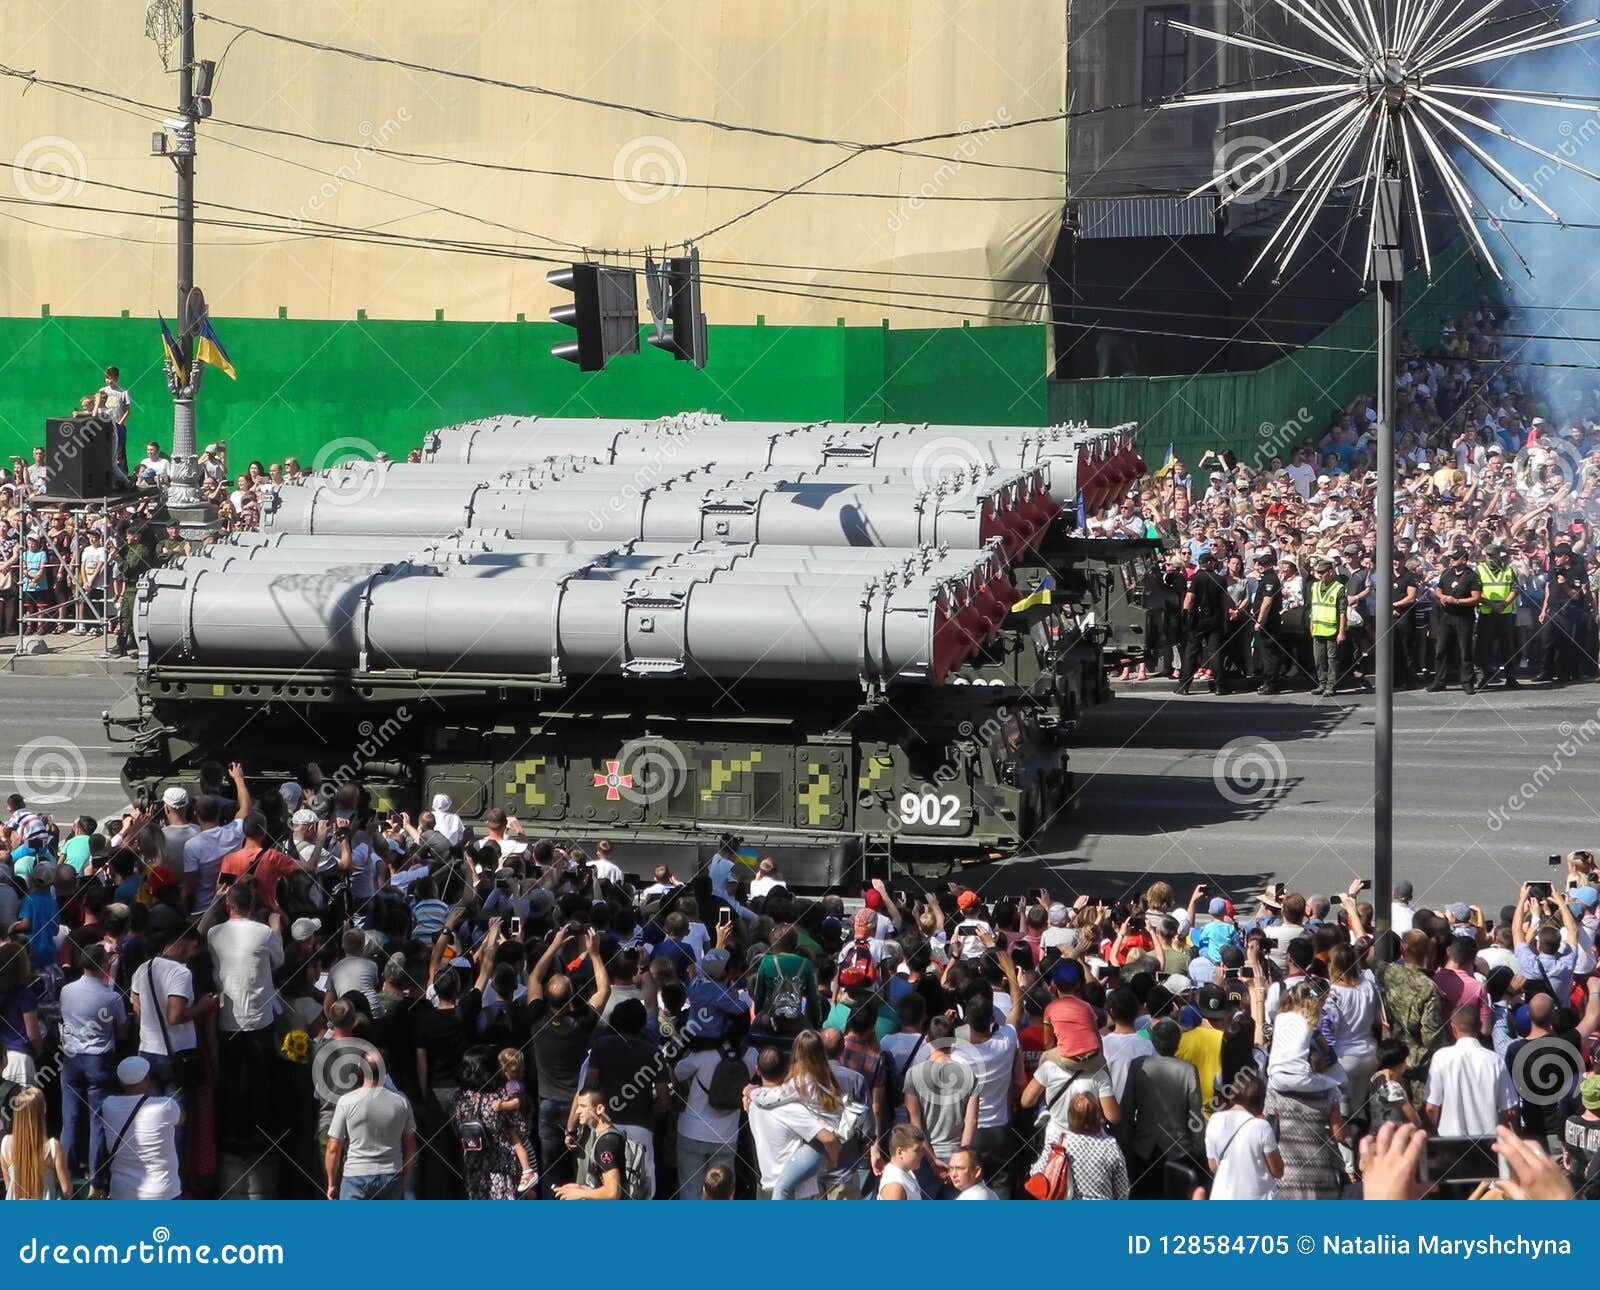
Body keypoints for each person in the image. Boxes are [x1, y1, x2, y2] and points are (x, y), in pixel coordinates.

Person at [58, 943, 127, 1184]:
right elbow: (121, 1030)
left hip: (71, 1059)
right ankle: (97, 1178)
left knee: (71, 1117)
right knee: (98, 1119)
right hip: (99, 1060)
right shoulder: (111, 997)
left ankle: (66, 1174)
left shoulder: (66, 990)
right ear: (104, 964)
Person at [325, 1049, 418, 1200]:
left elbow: (333, 1149)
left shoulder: (346, 1101)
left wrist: (331, 1183)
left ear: (360, 1069)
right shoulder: (401, 1101)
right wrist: (405, 1178)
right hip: (391, 1176)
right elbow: (411, 1147)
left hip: (355, 1178)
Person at [1424, 1006, 1518, 1136]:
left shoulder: (1440, 1057)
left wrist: (1433, 1133)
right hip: (1488, 1142)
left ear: (1453, 1029)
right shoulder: (1495, 1060)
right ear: (1480, 1027)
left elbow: (1431, 1108)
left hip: (1449, 1142)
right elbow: (1509, 1110)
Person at [99, 1056, 182, 1200]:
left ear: (120, 1081)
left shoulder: (108, 1105)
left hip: (121, 1193)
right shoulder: (165, 1105)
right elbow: (181, 1119)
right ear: (147, 1079)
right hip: (163, 1193)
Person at [1205, 1068, 1283, 1200]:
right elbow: (1278, 1172)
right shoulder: (1262, 1127)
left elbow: (1213, 1166)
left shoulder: (1214, 1120)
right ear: (1259, 1100)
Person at [0, 1087, 71, 1200]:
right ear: (44, 1110)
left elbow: (9, 1187)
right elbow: (67, 1190)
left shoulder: (5, 1144)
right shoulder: (53, 1147)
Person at [555, 1089, 627, 1199]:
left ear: (599, 1109)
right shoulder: (601, 1136)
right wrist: (579, 1188)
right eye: (578, 1106)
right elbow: (601, 1185)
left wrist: (579, 1194)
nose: (577, 1111)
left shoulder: (606, 1142)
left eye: (583, 1106)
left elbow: (613, 1192)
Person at [1176, 550, 1229, 695]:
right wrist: (1224, 620)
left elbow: (1189, 599)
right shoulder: (1220, 580)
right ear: (1210, 563)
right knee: (1215, 652)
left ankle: (1184, 686)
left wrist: (1185, 618)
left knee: (1191, 653)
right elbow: (1225, 603)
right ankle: (1219, 686)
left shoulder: (1196, 579)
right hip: (1215, 620)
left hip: (1197, 620)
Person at [1430, 547, 1481, 693]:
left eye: (1455, 558)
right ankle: (1439, 681)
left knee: (1465, 650)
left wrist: (1457, 601)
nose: (1451, 560)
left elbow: (1476, 597)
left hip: (1463, 617)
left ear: (1464, 560)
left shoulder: (1471, 576)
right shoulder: (1447, 573)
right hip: (1447, 616)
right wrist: (1443, 598)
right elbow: (1439, 590)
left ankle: (1467, 681)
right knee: (1441, 649)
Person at [1475, 543, 1520, 687]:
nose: (1489, 558)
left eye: (1491, 555)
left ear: (1498, 555)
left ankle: (1511, 678)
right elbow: (1476, 591)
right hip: (1487, 612)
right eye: (1487, 555)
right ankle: (1483, 678)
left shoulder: (1508, 570)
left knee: (1507, 647)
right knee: (1484, 647)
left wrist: (1504, 604)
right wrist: (1491, 604)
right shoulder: (1479, 570)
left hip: (1505, 613)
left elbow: (1515, 589)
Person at [1308, 559, 1348, 698]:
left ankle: (1331, 685)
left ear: (1330, 572)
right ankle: (1322, 683)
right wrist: (1311, 624)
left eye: (1322, 572)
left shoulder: (1339, 588)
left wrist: (1341, 632)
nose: (1319, 575)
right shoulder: (1315, 586)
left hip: (1332, 629)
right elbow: (1314, 607)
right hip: (1318, 628)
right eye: (1318, 572)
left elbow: (1342, 612)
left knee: (1332, 659)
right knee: (1318, 658)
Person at [1249, 550, 1284, 694]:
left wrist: (1260, 621)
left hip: (1268, 623)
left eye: (1263, 564)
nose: (1260, 566)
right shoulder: (1265, 578)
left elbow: (1267, 602)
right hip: (1266, 621)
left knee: (1269, 654)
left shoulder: (1270, 579)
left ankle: (1271, 684)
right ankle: (1267, 681)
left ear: (1270, 565)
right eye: (1259, 563)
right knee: (1264, 653)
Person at [876, 1124, 926, 1199]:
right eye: (917, 1150)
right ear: (900, 1152)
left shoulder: (907, 1172)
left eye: (921, 1150)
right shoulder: (894, 1187)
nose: (922, 1154)